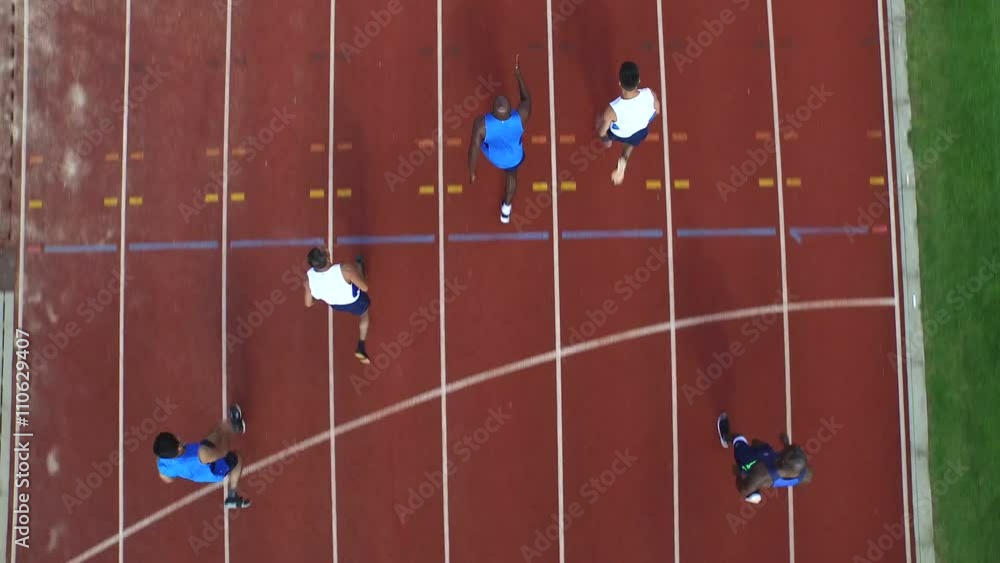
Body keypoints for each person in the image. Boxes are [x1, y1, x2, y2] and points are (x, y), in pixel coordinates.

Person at [468, 55, 532, 224]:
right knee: (512, 177)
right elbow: (526, 99)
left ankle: (506, 209)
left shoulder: (481, 124)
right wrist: (518, 75)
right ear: (511, 110)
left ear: (493, 111)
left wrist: (472, 170)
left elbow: (474, 148)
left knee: (479, 140)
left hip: (493, 155)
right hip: (513, 156)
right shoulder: (521, 116)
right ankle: (506, 209)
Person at [154, 405, 251, 509]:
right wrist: (227, 433)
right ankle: (232, 495)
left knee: (216, 431)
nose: (178, 437)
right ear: (178, 448)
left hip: (199, 469)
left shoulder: (163, 464)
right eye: (176, 440)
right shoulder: (202, 454)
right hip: (214, 469)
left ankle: (235, 427)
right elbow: (224, 451)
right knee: (236, 457)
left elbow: (167, 478)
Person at [716, 412, 813, 503]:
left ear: (781, 459)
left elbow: (742, 490)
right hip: (768, 466)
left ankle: (725, 438)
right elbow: (793, 459)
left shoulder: (761, 473)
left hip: (754, 466)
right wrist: (786, 444)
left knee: (739, 438)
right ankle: (754, 488)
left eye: (784, 451)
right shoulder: (807, 475)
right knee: (756, 443)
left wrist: (738, 474)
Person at [596, 61, 661, 185]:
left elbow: (602, 131)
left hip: (618, 134)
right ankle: (624, 158)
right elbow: (657, 110)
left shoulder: (613, 109)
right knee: (630, 144)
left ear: (620, 83)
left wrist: (604, 137)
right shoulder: (649, 94)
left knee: (602, 125)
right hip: (640, 131)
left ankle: (608, 142)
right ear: (638, 81)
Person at [304, 246, 371, 364]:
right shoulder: (345, 269)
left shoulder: (308, 278)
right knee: (364, 313)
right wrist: (359, 273)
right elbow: (365, 288)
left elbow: (308, 303)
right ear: (328, 257)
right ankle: (361, 345)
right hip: (355, 301)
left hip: (336, 305)